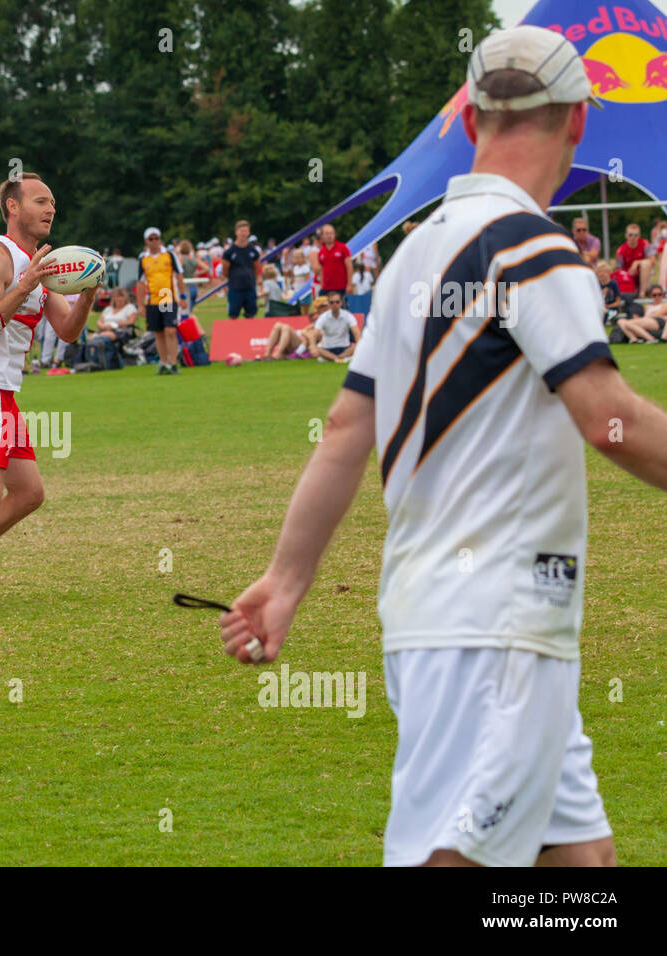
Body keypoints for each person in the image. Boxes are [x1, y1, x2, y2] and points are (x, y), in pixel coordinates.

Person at [219, 26, 653, 868]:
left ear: (466, 121)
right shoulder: (534, 248)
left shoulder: (416, 252)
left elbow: (347, 431)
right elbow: (612, 419)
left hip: (439, 612)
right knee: (451, 861)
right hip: (499, 620)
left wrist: (286, 578)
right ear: (578, 123)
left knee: (583, 865)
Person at [0, 172, 98, 604]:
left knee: (28, 493)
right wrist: (24, 286)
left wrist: (86, 294)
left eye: (53, 203)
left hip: (1, 391)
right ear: (12, 207)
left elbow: (66, 331)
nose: (51, 209)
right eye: (41, 201)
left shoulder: (43, 264)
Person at [135, 226, 185, 374]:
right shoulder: (143, 258)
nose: (155, 241)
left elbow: (179, 274)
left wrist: (182, 296)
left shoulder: (169, 255)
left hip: (166, 295)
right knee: (158, 332)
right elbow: (140, 282)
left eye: (157, 238)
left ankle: (173, 363)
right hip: (152, 298)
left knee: (170, 330)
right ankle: (163, 363)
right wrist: (139, 304)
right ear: (146, 241)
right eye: (151, 239)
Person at [222, 220, 262, 318]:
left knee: (251, 315)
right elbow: (225, 271)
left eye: (245, 231)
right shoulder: (229, 252)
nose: (243, 233)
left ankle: (250, 333)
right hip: (235, 288)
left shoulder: (253, 251)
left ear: (248, 233)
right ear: (236, 232)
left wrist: (254, 278)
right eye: (241, 231)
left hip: (250, 288)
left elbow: (257, 268)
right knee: (233, 315)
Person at [308, 291, 359, 362]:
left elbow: (356, 332)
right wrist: (312, 346)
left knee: (356, 346)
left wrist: (358, 344)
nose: (335, 304)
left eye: (337, 302)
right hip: (328, 348)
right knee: (318, 349)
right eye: (332, 302)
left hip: (344, 348)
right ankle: (339, 358)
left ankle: (335, 358)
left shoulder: (348, 315)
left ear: (341, 303)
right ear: (328, 304)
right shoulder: (323, 317)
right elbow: (315, 333)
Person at [310, 223, 353, 297]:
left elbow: (349, 266)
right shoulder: (321, 251)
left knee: (342, 308)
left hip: (341, 287)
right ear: (322, 236)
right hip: (327, 288)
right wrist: (322, 285)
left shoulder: (343, 248)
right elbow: (321, 271)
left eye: (331, 233)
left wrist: (349, 284)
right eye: (327, 233)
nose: (330, 236)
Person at [616, 223, 653, 297]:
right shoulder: (621, 250)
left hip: (643, 277)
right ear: (626, 235)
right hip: (629, 278)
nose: (633, 237)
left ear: (639, 235)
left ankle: (642, 293)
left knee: (646, 264)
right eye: (630, 235)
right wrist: (628, 274)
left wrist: (637, 263)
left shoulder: (644, 244)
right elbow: (618, 271)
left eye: (636, 235)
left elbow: (652, 260)